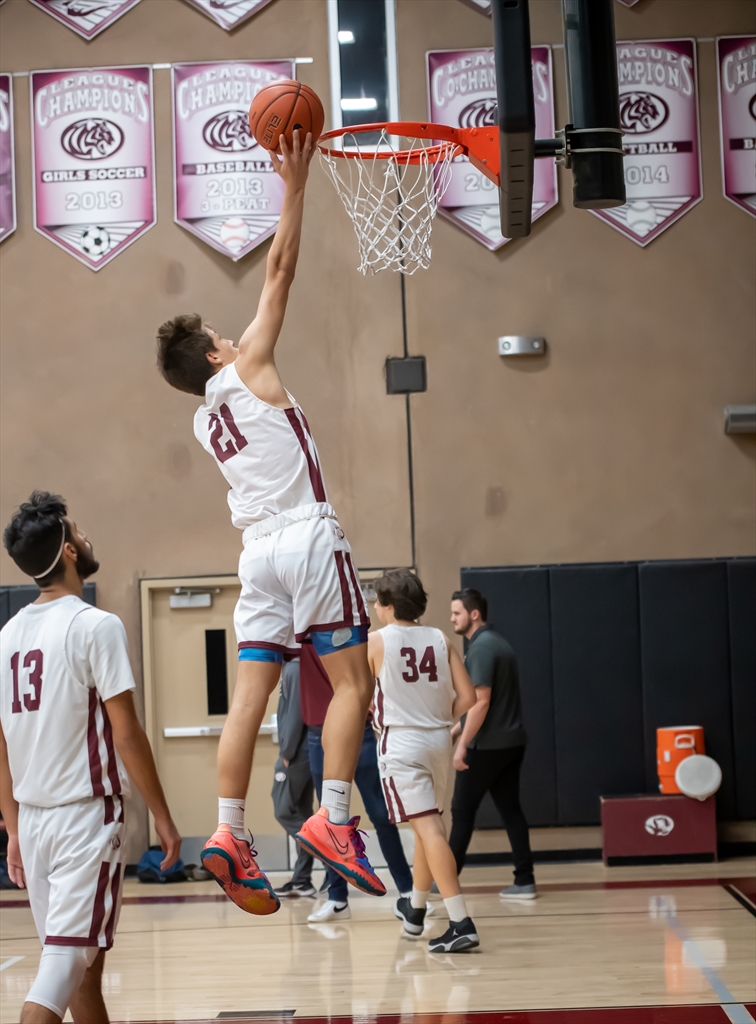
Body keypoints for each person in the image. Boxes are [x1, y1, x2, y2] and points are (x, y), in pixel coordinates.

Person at [155, 129, 383, 916]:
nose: (234, 335)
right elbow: (280, 269)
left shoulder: (200, 423)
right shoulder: (248, 363)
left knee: (248, 699)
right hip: (306, 535)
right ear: (218, 357)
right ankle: (336, 819)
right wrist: (296, 179)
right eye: (223, 335)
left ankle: (227, 831)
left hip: (255, 555)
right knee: (355, 679)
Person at [0, 492, 182, 1024]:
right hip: (86, 816)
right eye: (78, 531)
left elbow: (1, 741)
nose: (87, 537)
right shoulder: (95, 625)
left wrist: (12, 827)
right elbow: (126, 734)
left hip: (32, 822)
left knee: (82, 968)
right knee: (62, 966)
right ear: (69, 550)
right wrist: (163, 818)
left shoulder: (6, 637)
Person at [367, 570, 480, 953]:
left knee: (428, 831)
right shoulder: (440, 637)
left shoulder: (375, 642)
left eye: (377, 602)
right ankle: (415, 911)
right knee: (427, 827)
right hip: (437, 742)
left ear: (388, 606)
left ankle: (461, 922)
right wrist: (436, 717)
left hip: (402, 742)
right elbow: (467, 699)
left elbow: (359, 697)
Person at [299, 644, 414, 924]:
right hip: (317, 733)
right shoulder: (298, 634)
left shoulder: (347, 631)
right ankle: (337, 899)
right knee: (326, 823)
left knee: (380, 813)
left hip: (357, 729)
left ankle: (407, 892)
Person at [448, 588, 536, 899]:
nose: (452, 618)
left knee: (461, 810)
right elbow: (490, 702)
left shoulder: (482, 649)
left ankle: (445, 881)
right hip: (511, 743)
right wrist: (456, 729)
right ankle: (525, 880)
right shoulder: (499, 643)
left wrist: (462, 745)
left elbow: (481, 703)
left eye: (456, 613)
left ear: (474, 614)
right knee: (511, 810)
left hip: (488, 747)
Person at [271, 657, 316, 899]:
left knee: (283, 809)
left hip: (297, 752)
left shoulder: (294, 668)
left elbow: (295, 713)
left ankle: (331, 856)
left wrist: (286, 751)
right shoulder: (296, 666)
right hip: (305, 749)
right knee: (302, 812)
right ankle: (302, 879)